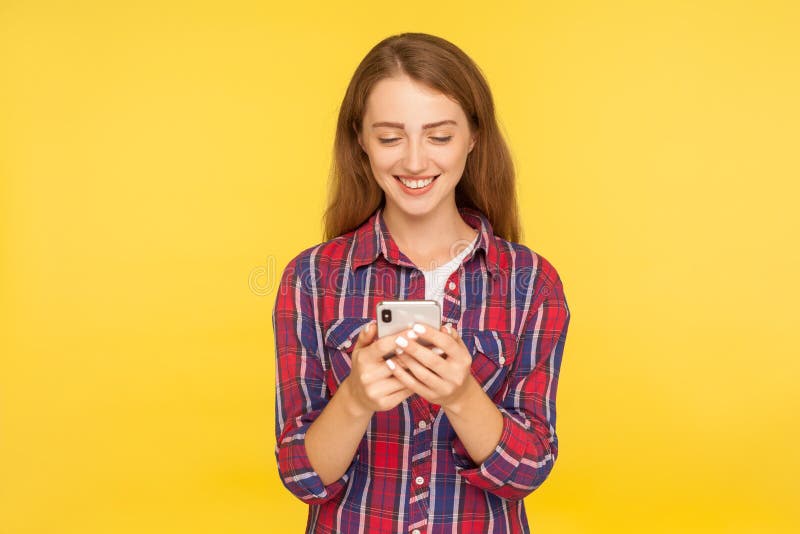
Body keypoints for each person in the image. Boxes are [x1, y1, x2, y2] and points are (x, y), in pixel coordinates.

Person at [273, 32, 571, 534]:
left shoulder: (531, 284)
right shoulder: (310, 280)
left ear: (474, 137)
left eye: (439, 136)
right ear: (361, 141)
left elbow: (529, 471)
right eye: (390, 137)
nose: (414, 162)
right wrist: (355, 401)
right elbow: (302, 477)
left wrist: (462, 397)